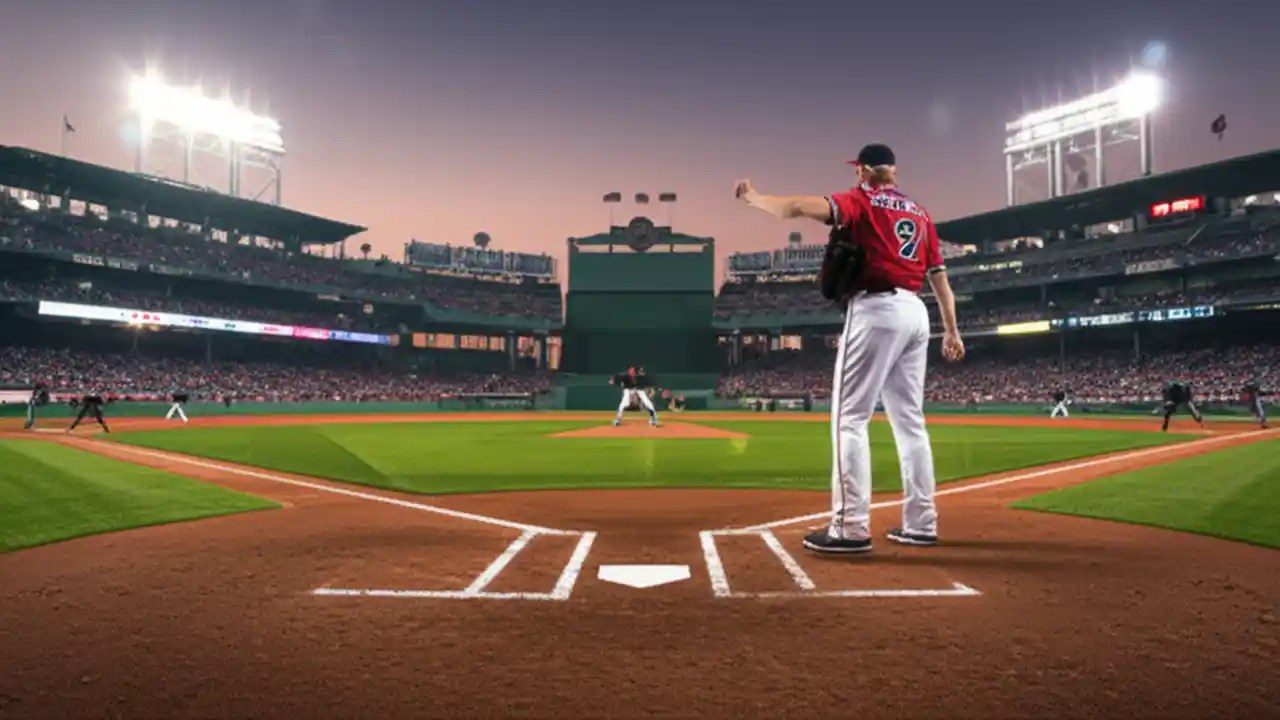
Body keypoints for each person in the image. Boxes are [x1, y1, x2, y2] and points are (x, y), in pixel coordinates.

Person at [736, 143, 964, 554]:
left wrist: (754, 198)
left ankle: (850, 528)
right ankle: (921, 523)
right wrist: (951, 331)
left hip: (876, 309)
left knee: (849, 421)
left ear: (861, 171)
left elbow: (795, 208)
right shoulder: (920, 212)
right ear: (893, 171)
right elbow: (941, 281)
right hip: (917, 313)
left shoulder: (860, 202)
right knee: (911, 424)